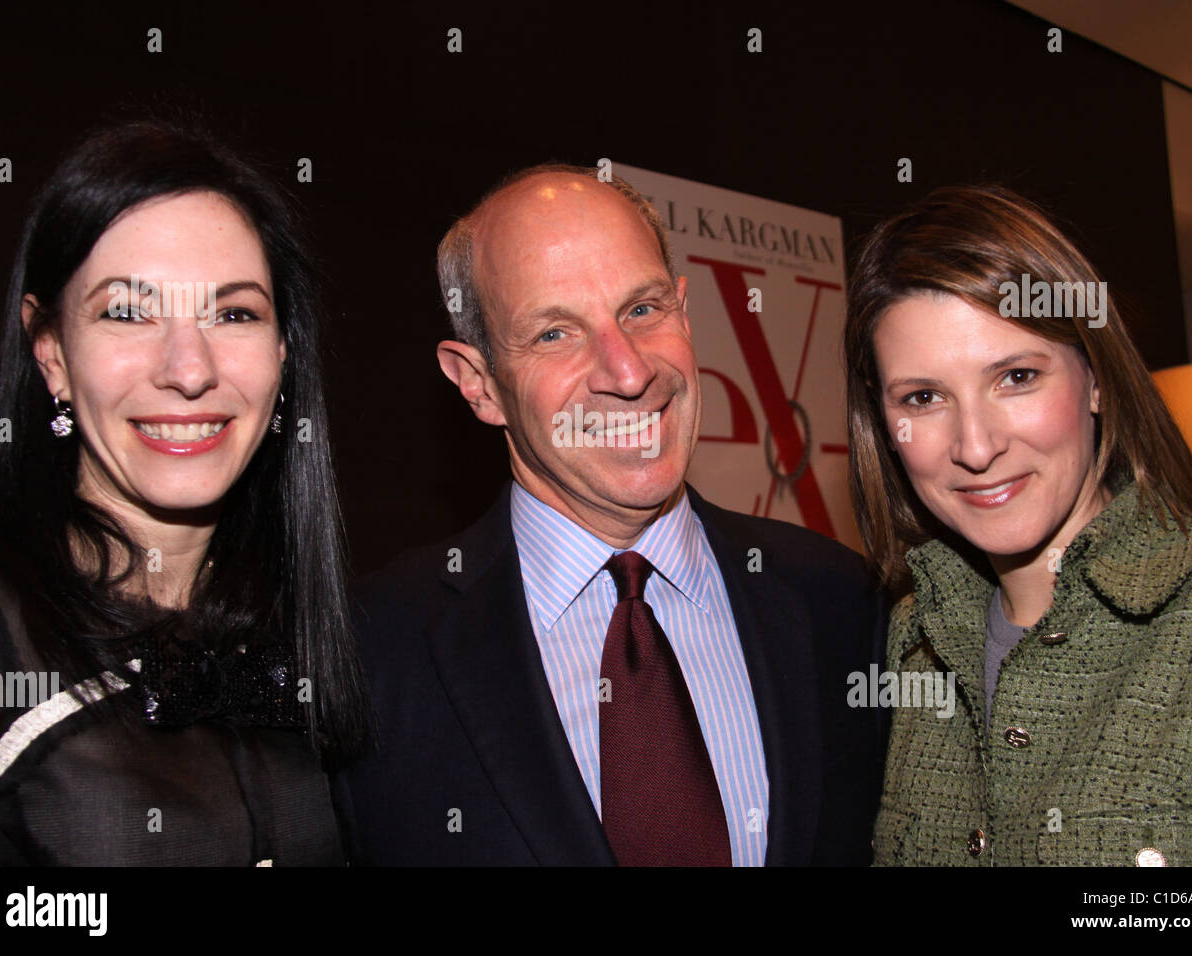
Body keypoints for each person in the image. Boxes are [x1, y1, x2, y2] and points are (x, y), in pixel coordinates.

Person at [335, 165, 888, 866]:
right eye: (554, 334)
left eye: (642, 310)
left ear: (685, 314)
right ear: (479, 385)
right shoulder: (369, 651)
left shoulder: (841, 601)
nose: (628, 374)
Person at [0, 121, 368, 865]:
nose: (188, 369)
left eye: (233, 313)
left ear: (282, 354)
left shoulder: (326, 637)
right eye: (127, 312)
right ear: (49, 352)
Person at [844, 184, 1192, 866]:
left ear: (1095, 378)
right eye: (924, 396)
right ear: (887, 428)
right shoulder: (909, 640)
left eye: (1016, 377)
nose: (975, 447)